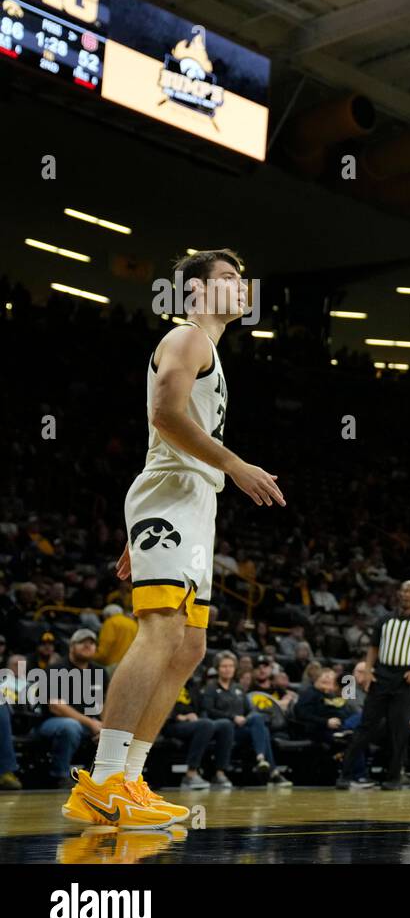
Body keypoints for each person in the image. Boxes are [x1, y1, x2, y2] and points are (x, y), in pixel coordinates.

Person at [63, 248, 285, 830]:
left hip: (191, 501)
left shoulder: (207, 349)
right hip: (175, 491)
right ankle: (104, 780)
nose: (243, 286)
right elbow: (164, 415)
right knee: (161, 632)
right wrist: (237, 466)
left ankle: (130, 777)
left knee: (189, 647)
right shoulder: (187, 339)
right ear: (195, 292)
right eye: (231, 278)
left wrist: (145, 534)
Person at [338, 580, 410, 790]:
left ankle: (393, 778)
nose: (407, 594)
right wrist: (369, 670)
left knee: (398, 730)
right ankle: (345, 775)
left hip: (404, 681)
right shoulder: (384, 620)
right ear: (399, 594)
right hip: (381, 676)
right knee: (365, 727)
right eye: (404, 590)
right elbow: (373, 647)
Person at [202, 651, 291, 786]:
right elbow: (209, 711)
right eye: (224, 666)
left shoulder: (237, 688)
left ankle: (262, 760)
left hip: (241, 728)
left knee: (257, 719)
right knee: (263, 730)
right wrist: (233, 717)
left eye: (231, 666)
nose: (227, 669)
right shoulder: (211, 688)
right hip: (223, 729)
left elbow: (248, 710)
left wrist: (245, 717)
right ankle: (272, 771)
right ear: (218, 668)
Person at [39, 630, 107, 789]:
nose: (88, 645)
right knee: (70, 725)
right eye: (82, 642)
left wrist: (106, 726)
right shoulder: (55, 669)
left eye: (92, 643)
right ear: (71, 646)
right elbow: (55, 706)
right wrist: (91, 723)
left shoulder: (99, 672)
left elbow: (103, 703)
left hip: (89, 723)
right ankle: (60, 776)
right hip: (51, 722)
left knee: (113, 731)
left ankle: (94, 778)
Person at [162, 672, 235, 790]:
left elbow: (202, 708)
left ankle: (219, 773)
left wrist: (201, 717)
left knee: (225, 725)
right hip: (173, 724)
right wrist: (181, 717)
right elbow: (160, 707)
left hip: (196, 723)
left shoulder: (192, 685)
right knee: (205, 725)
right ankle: (190, 774)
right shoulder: (168, 682)